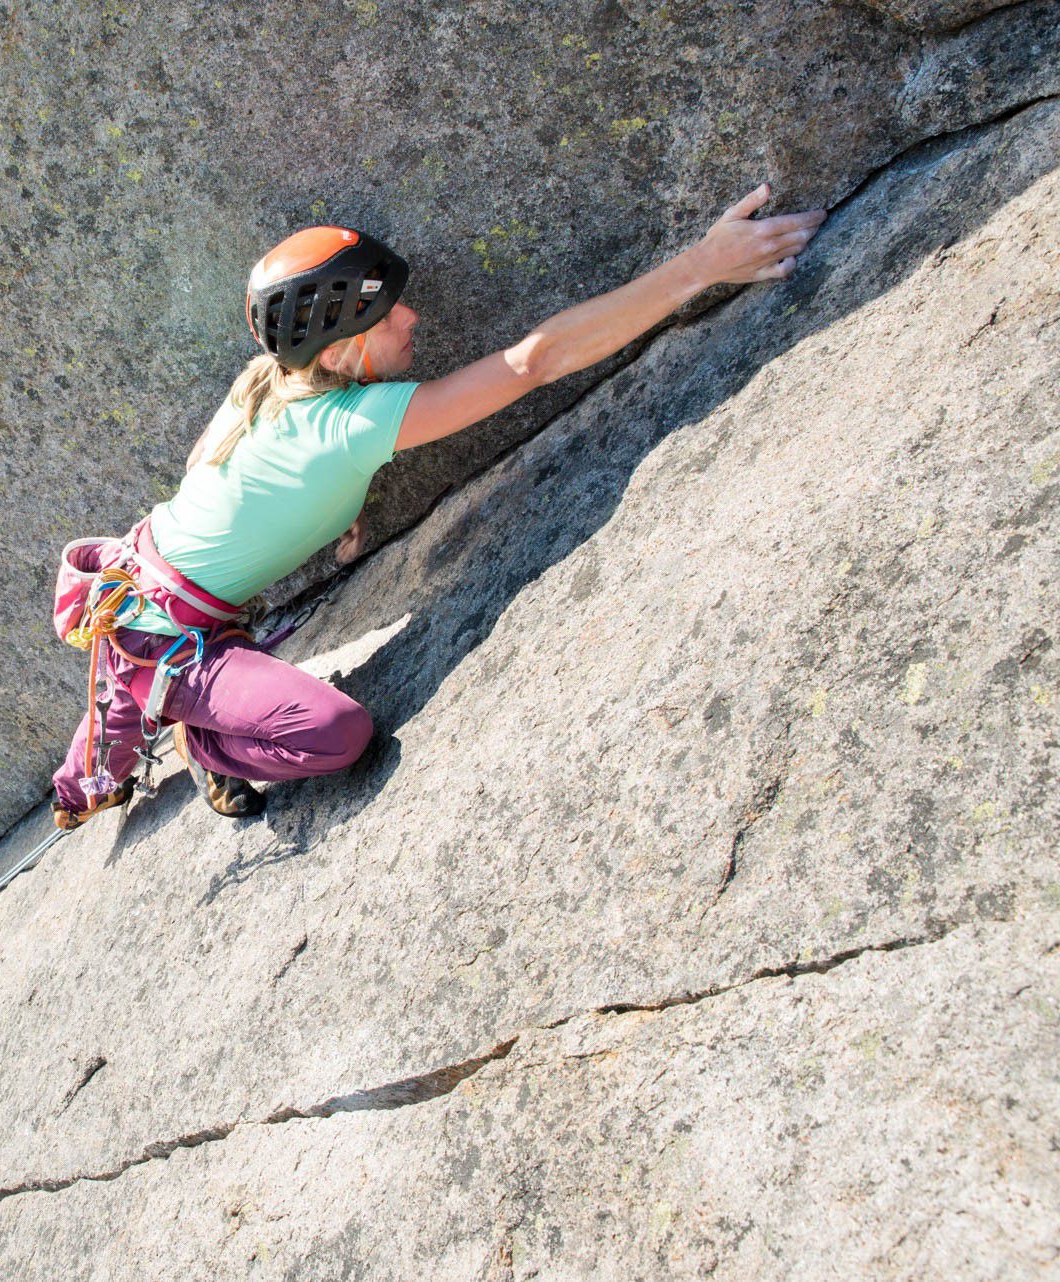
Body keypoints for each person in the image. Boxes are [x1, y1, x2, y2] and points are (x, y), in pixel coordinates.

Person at [51, 184, 825, 829]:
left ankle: (125, 746)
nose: (412, 319)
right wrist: (702, 266)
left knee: (107, 737)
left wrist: (323, 508)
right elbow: (536, 361)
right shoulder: (349, 425)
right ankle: (208, 743)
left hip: (151, 583)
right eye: (386, 318)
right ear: (338, 354)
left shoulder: (273, 379)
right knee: (334, 735)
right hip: (168, 634)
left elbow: (207, 469)